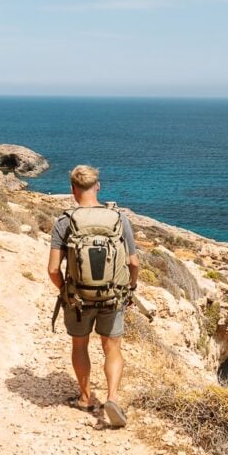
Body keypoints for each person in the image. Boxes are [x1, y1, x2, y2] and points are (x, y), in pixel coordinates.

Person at [47, 165, 140, 427]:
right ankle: (112, 398)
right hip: (112, 296)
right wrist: (130, 288)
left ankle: (86, 397)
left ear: (72, 189)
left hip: (78, 298)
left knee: (80, 345)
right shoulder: (119, 219)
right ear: (97, 187)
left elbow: (53, 269)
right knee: (112, 347)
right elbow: (133, 263)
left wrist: (66, 290)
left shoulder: (65, 222)